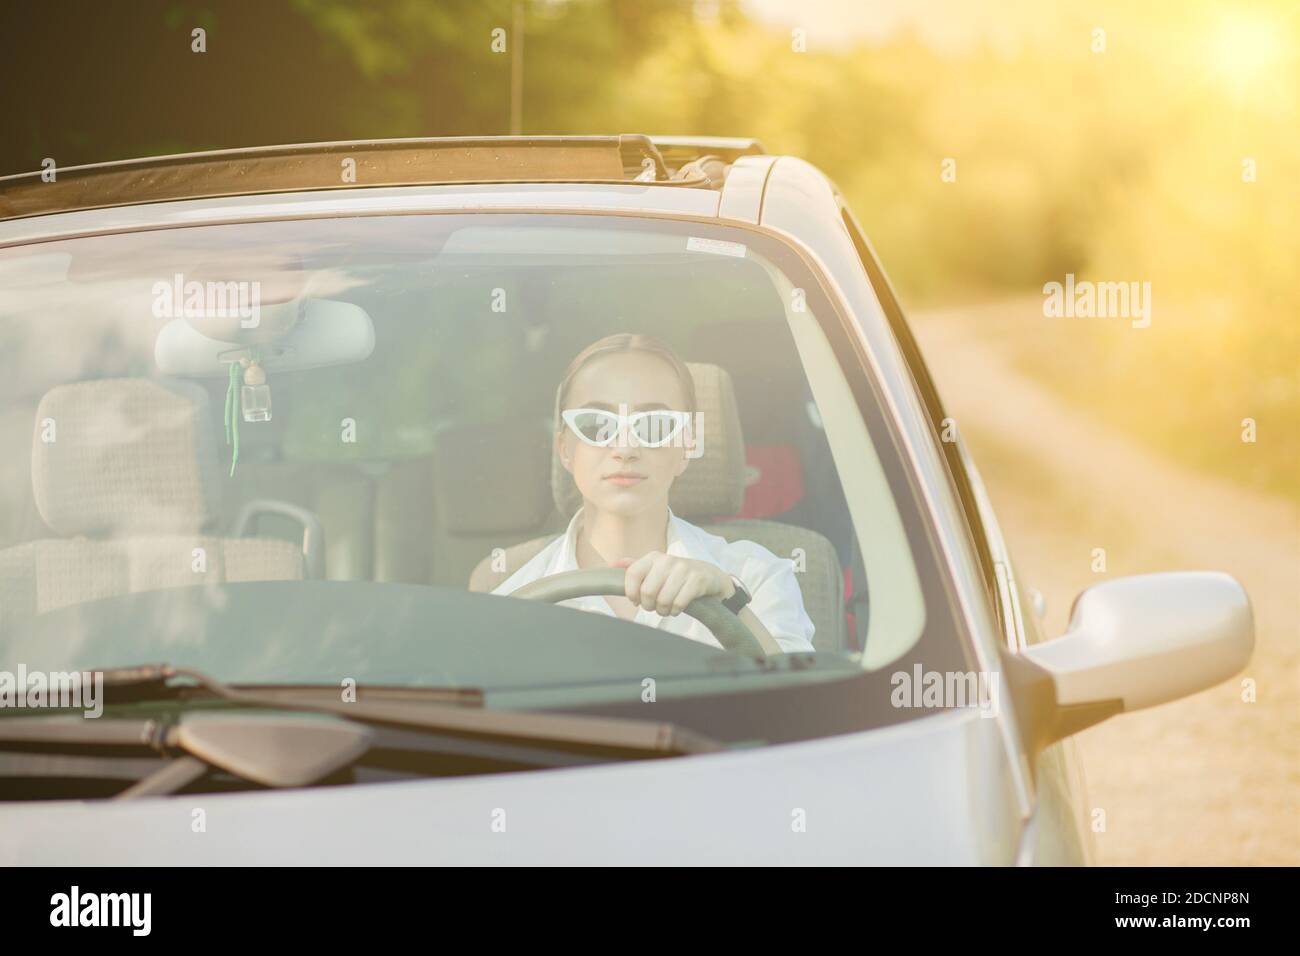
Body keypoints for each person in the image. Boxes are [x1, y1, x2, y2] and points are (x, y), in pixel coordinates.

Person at [492, 333, 815, 654]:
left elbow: (802, 703)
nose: (625, 447)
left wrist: (729, 599)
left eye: (656, 425)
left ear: (687, 446)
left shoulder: (757, 577)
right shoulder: (512, 597)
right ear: (564, 448)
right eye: (596, 424)